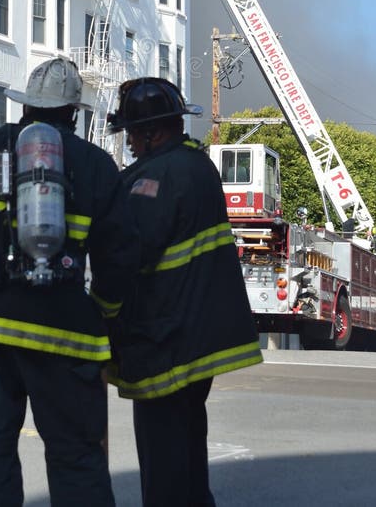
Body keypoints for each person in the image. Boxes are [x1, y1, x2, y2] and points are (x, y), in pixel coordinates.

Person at [0, 57, 139, 507]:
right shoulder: (96, 165)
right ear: (73, 113)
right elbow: (119, 260)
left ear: (24, 107)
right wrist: (107, 314)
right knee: (76, 457)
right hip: (64, 335)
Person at [105, 77, 263, 507]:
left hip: (164, 339)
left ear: (154, 131)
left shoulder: (151, 178)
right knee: (189, 442)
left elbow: (128, 255)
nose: (130, 144)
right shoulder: (198, 166)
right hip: (195, 339)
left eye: (133, 134)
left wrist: (101, 316)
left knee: (163, 463)